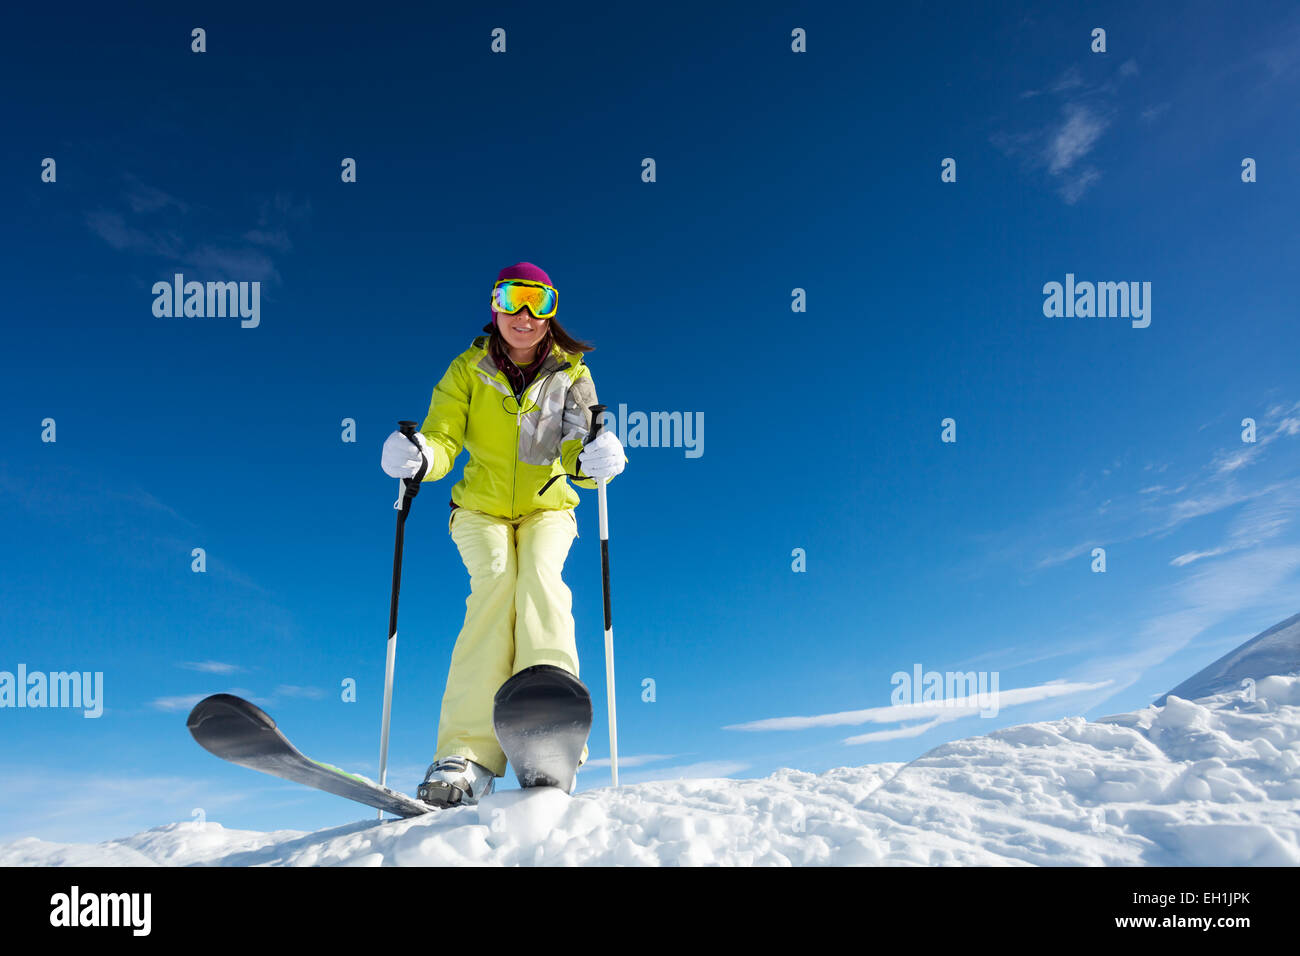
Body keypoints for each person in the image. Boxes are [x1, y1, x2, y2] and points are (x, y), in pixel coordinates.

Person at [380, 262, 626, 807]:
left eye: (539, 302)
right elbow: (444, 436)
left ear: (551, 312)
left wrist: (594, 459)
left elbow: (576, 445)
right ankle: (465, 755)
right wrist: (421, 455)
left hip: (548, 508)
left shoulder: (572, 373)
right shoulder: (467, 370)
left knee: (539, 578)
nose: (525, 314)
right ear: (495, 305)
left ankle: (550, 727)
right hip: (479, 510)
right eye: (514, 298)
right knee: (495, 586)